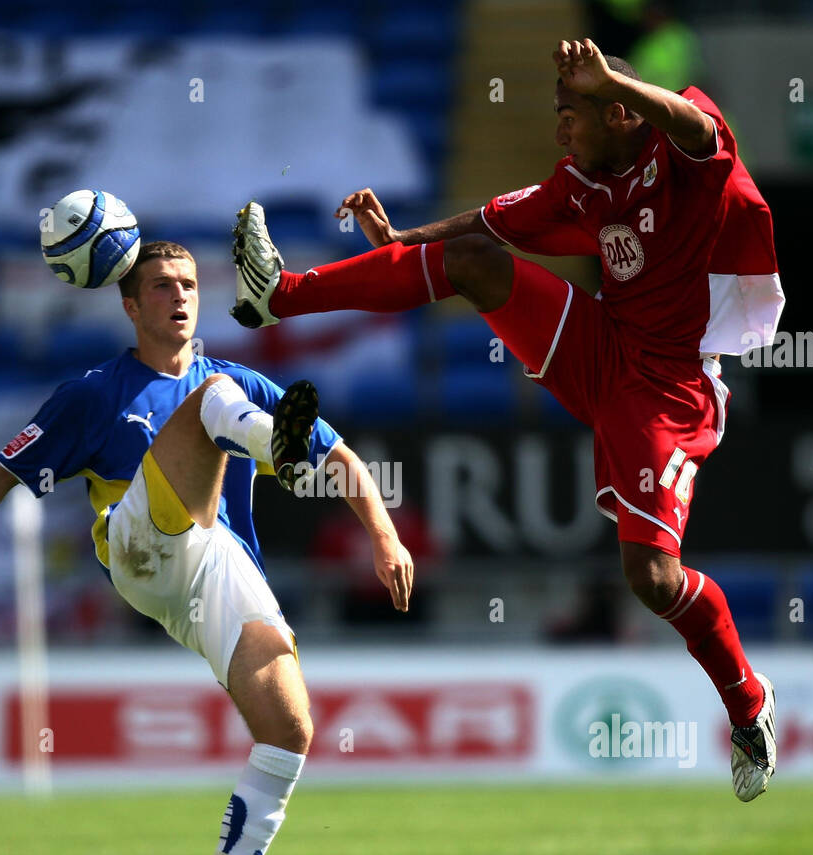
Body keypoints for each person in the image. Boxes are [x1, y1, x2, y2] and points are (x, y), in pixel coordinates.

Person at [229, 40, 783, 802]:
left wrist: (616, 78)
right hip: (601, 347)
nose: (561, 131)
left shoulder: (676, 154)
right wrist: (399, 242)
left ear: (619, 111)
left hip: (667, 388)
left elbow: (697, 128)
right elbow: (488, 222)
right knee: (475, 261)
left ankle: (748, 705)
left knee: (650, 577)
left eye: (571, 114)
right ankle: (279, 294)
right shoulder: (580, 183)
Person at [0, 240, 414, 855]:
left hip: (219, 568)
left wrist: (384, 537)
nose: (179, 295)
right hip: (139, 550)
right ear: (130, 306)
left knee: (290, 729)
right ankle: (275, 448)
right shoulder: (96, 393)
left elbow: (340, 456)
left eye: (187, 284)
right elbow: (8, 464)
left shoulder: (234, 375)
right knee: (218, 402)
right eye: (160, 286)